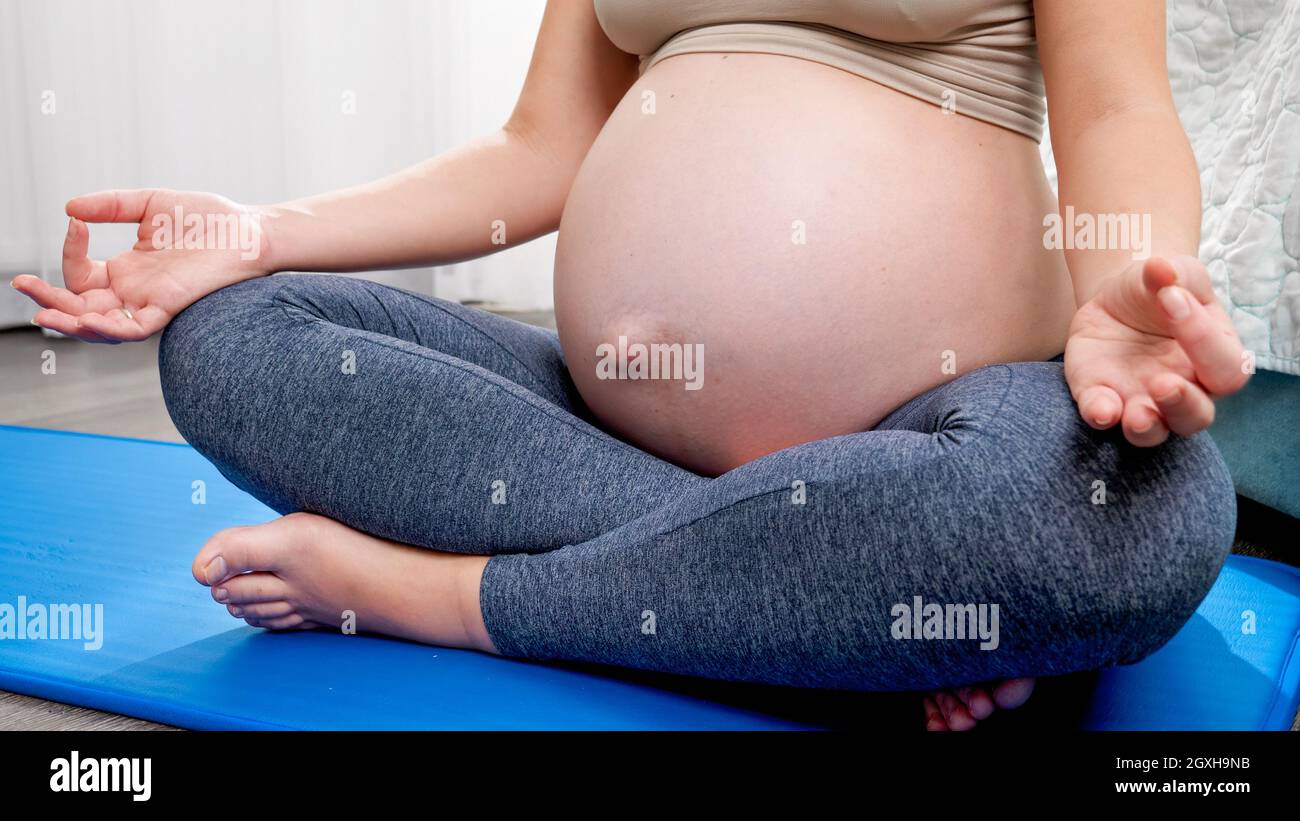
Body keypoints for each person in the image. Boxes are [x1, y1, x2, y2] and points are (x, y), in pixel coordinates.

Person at [12, 0, 1247, 730]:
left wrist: (1125, 282)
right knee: (234, 337)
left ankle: (440, 596)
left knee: (1126, 518)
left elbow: (1115, 113)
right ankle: (836, 608)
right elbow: (540, 149)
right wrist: (263, 231)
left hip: (940, 415)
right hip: (601, 424)